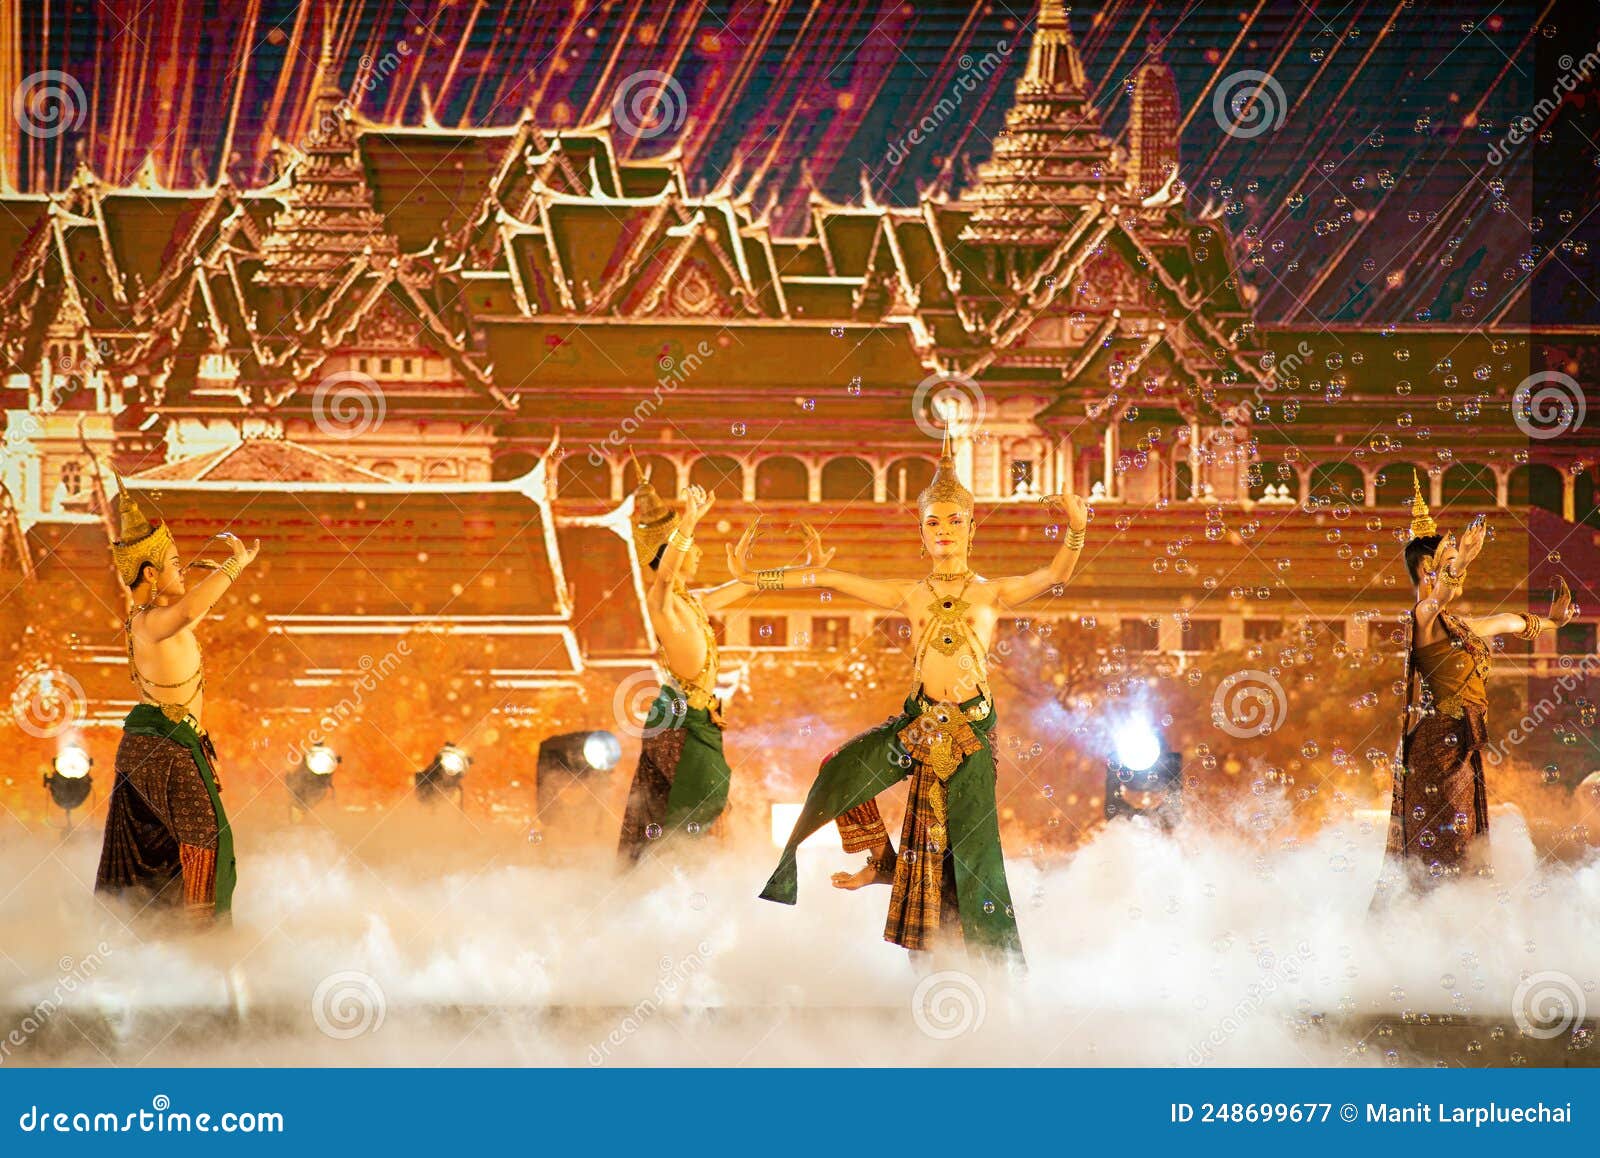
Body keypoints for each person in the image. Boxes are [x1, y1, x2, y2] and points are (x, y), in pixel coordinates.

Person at [735, 435, 1090, 967]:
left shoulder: (993, 593)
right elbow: (830, 578)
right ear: (921, 533)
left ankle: (985, 963)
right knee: (842, 768)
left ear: (971, 528)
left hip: (969, 734)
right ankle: (879, 861)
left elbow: (1057, 574)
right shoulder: (910, 593)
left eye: (953, 521)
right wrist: (756, 576)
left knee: (965, 852)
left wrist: (1076, 526)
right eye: (933, 523)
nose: (944, 531)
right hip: (919, 724)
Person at [1375, 473, 1575, 896]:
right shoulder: (1423, 620)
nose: (1456, 569)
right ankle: (1429, 923)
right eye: (1445, 562)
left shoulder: (1459, 627)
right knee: (1445, 842)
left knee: (1464, 840)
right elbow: (1438, 598)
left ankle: (1454, 924)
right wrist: (1462, 559)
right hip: (1436, 749)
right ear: (1427, 570)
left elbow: (1503, 622)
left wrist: (1550, 621)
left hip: (1461, 744)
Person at [94, 476, 258, 923]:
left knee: (169, 851)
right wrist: (233, 565)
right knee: (207, 841)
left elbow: (191, 611)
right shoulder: (150, 621)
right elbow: (188, 610)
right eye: (175, 563)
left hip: (165, 745)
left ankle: (165, 943)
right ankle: (203, 940)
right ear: (150, 573)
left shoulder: (156, 621)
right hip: (163, 749)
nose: (183, 572)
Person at [614, 465, 774, 863]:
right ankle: (673, 882)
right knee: (702, 806)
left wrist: (806, 570)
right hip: (678, 719)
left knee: (700, 809)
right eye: (689, 544)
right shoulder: (661, 601)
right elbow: (665, 578)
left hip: (698, 719)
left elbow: (746, 585)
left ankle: (677, 883)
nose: (698, 550)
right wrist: (688, 520)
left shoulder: (693, 602)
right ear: (667, 553)